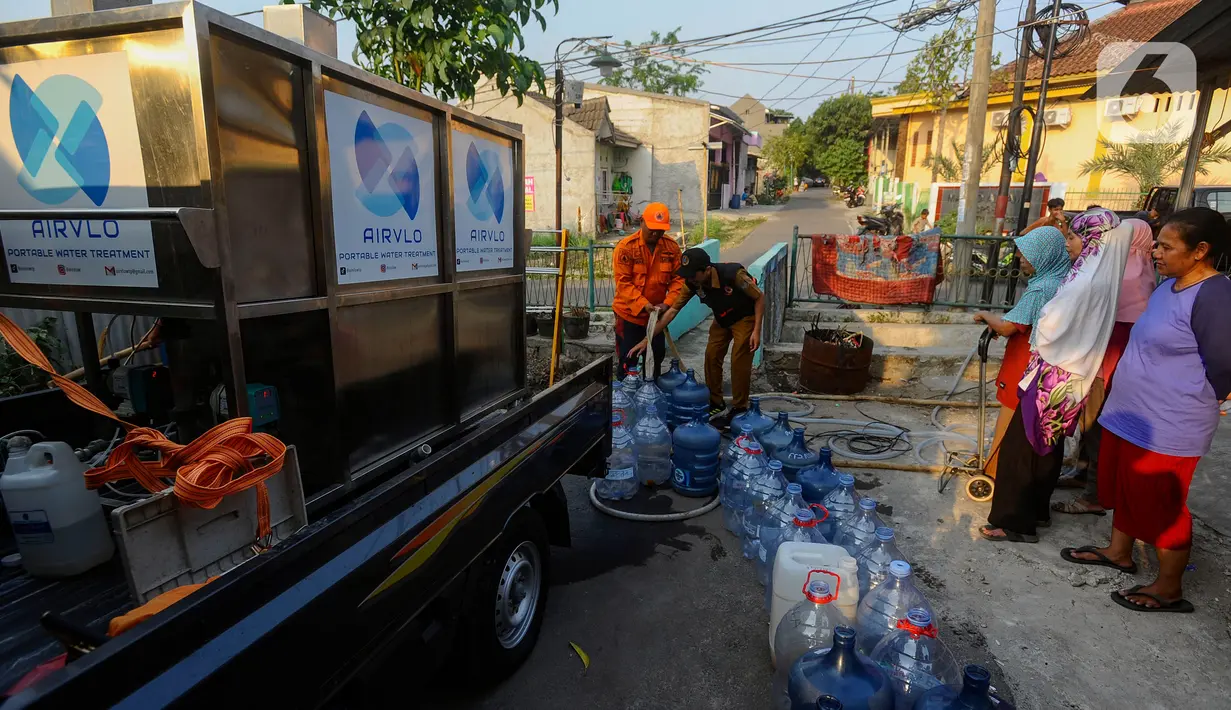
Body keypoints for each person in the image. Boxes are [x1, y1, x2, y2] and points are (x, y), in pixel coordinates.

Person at [1062, 208, 1231, 613]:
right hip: (1130, 413)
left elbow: (1224, 365)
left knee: (1162, 503)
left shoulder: (1214, 295)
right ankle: (1119, 552)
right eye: (1156, 243)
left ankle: (1169, 587)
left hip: (1168, 424)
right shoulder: (1167, 287)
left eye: (1166, 246)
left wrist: (1200, 398)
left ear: (1200, 251)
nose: (1155, 251)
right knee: (1124, 487)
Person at [980, 208, 1132, 543]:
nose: (1068, 244)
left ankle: (1014, 522)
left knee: (1021, 450)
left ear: (1093, 240)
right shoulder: (1099, 277)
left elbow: (1050, 328)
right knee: (1047, 447)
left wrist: (1045, 319)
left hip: (1052, 376)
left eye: (1074, 237)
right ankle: (1037, 512)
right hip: (1073, 377)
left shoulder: (1083, 283)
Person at [1052, 218, 1157, 515]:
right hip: (1101, 364)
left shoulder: (1127, 277)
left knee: (1097, 427)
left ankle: (1093, 495)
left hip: (1107, 369)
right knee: (1088, 426)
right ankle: (1082, 475)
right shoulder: (1137, 271)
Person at [972, 226, 1071, 478]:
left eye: (1027, 254)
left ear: (1043, 257)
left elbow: (1007, 327)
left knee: (1009, 421)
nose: (1020, 259)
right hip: (1047, 366)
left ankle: (994, 472)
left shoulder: (1041, 288)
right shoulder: (1062, 280)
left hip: (1024, 366)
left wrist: (985, 316)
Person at [630, 247, 764, 427]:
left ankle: (740, 408)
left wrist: (756, 330)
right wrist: (647, 340)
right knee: (711, 355)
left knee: (739, 359)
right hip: (722, 318)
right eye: (687, 275)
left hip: (745, 318)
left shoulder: (734, 274)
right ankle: (716, 403)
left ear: (707, 270)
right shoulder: (693, 283)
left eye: (693, 274)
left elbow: (760, 298)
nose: (690, 278)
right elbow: (672, 312)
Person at [612, 202, 685, 378]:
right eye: (652, 229)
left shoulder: (671, 248)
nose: (656, 233)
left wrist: (667, 304)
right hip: (629, 315)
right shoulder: (626, 248)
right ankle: (625, 398)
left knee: (656, 356)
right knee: (628, 358)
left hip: (657, 318)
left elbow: (679, 280)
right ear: (642, 222)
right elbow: (623, 283)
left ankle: (651, 396)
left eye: (660, 230)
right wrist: (644, 304)